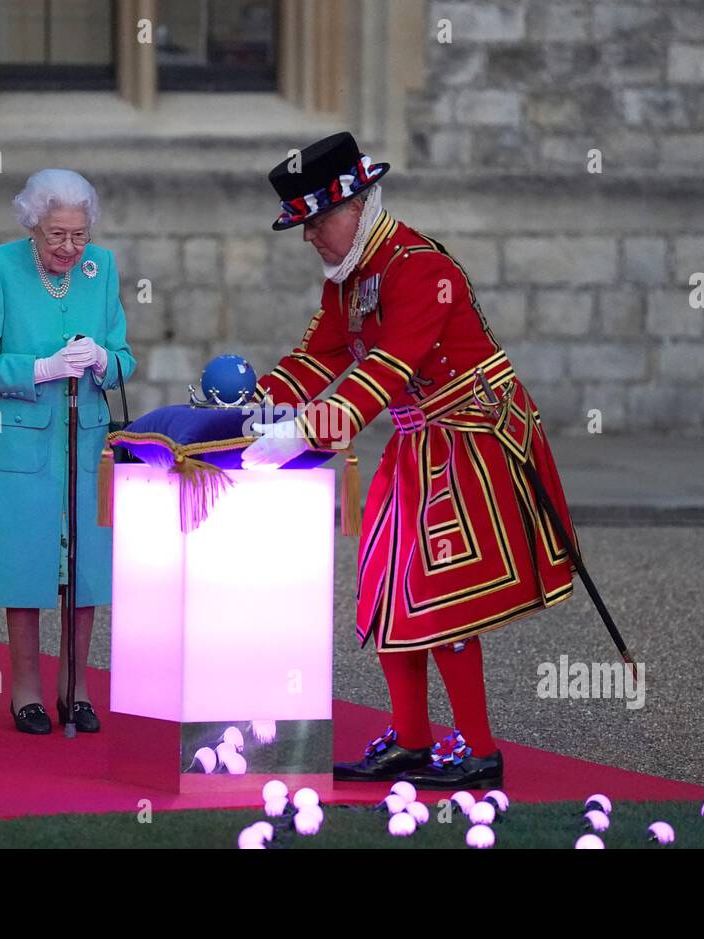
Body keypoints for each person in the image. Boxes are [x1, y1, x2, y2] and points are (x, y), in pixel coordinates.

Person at [242, 133, 579, 789]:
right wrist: (249, 406)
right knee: (388, 588)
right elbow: (322, 356)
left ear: (358, 204)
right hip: (420, 436)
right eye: (303, 225)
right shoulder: (352, 275)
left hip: (473, 433)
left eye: (317, 221)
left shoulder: (419, 267)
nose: (310, 236)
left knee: (443, 595)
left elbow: (387, 369)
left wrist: (303, 433)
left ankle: (479, 751)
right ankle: (413, 739)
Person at [0, 168, 136, 735]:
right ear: (32, 225)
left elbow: (126, 356)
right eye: (56, 235)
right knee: (27, 562)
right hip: (23, 438)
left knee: (84, 566)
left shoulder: (100, 268)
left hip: (87, 438)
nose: (68, 248)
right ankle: (27, 691)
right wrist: (41, 368)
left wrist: (106, 362)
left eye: (78, 235)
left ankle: (76, 687)